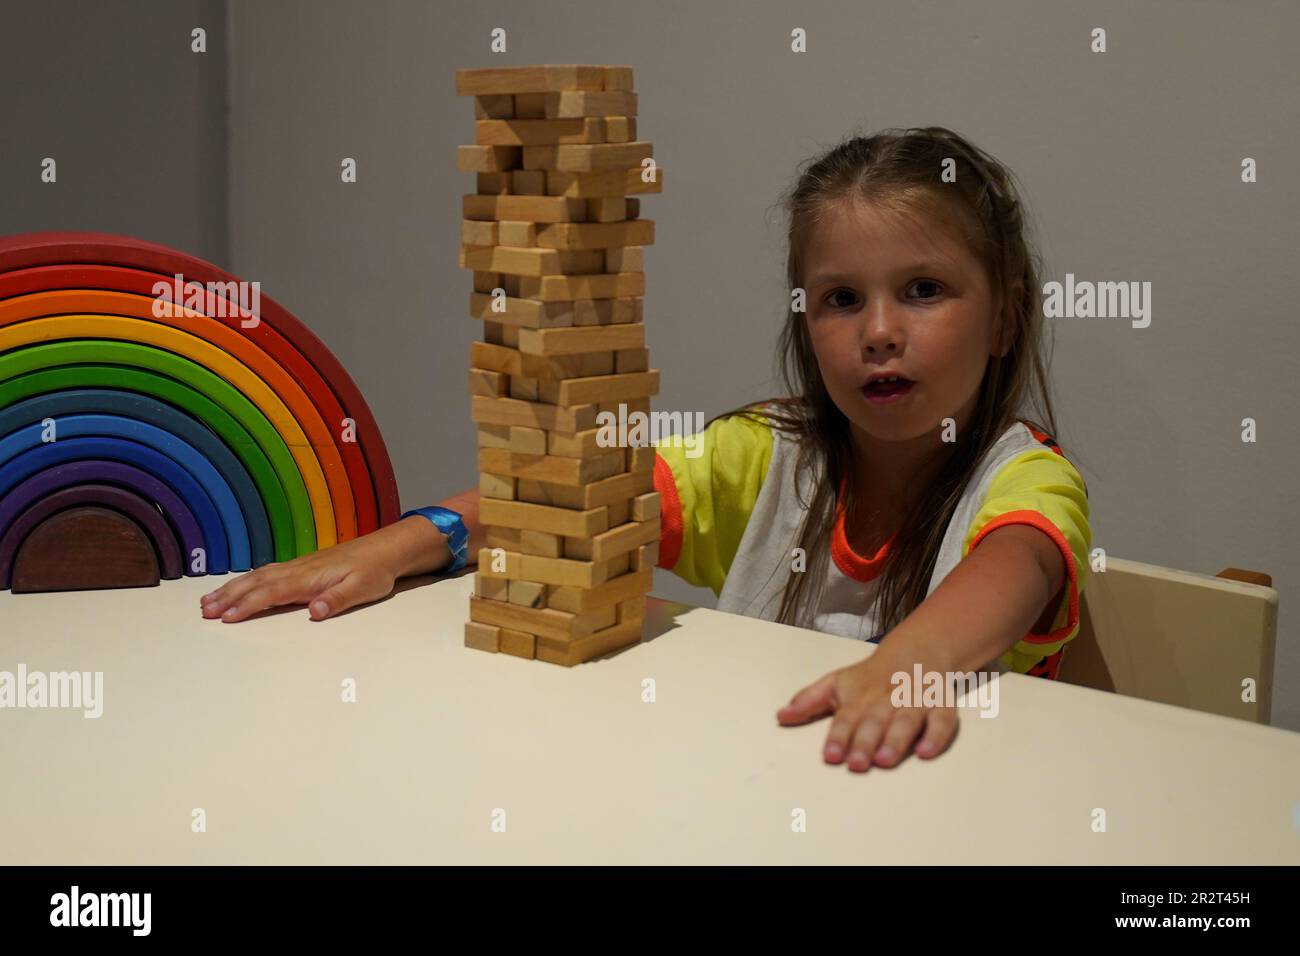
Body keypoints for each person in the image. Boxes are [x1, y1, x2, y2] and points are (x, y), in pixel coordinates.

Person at [201, 126, 1090, 773]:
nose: (880, 332)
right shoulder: (765, 453)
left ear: (1007, 315)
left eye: (925, 290)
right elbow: (576, 501)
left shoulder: (1025, 476)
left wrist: (906, 669)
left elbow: (1011, 572)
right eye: (841, 299)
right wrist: (406, 541)